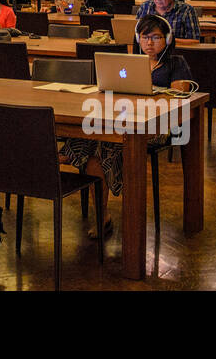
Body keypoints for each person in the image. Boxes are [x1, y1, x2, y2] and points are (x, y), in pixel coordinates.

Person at [59, 15, 193, 238]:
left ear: (167, 39)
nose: (149, 42)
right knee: (96, 151)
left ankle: (68, 152)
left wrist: (153, 90)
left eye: (156, 37)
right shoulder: (128, 62)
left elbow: (181, 93)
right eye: (144, 37)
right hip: (124, 119)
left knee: (101, 145)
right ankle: (103, 217)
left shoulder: (176, 62)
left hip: (157, 126)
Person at [135, 0, 200, 40]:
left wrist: (169, 40)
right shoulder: (145, 7)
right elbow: (136, 34)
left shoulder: (187, 11)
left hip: (175, 50)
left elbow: (195, 40)